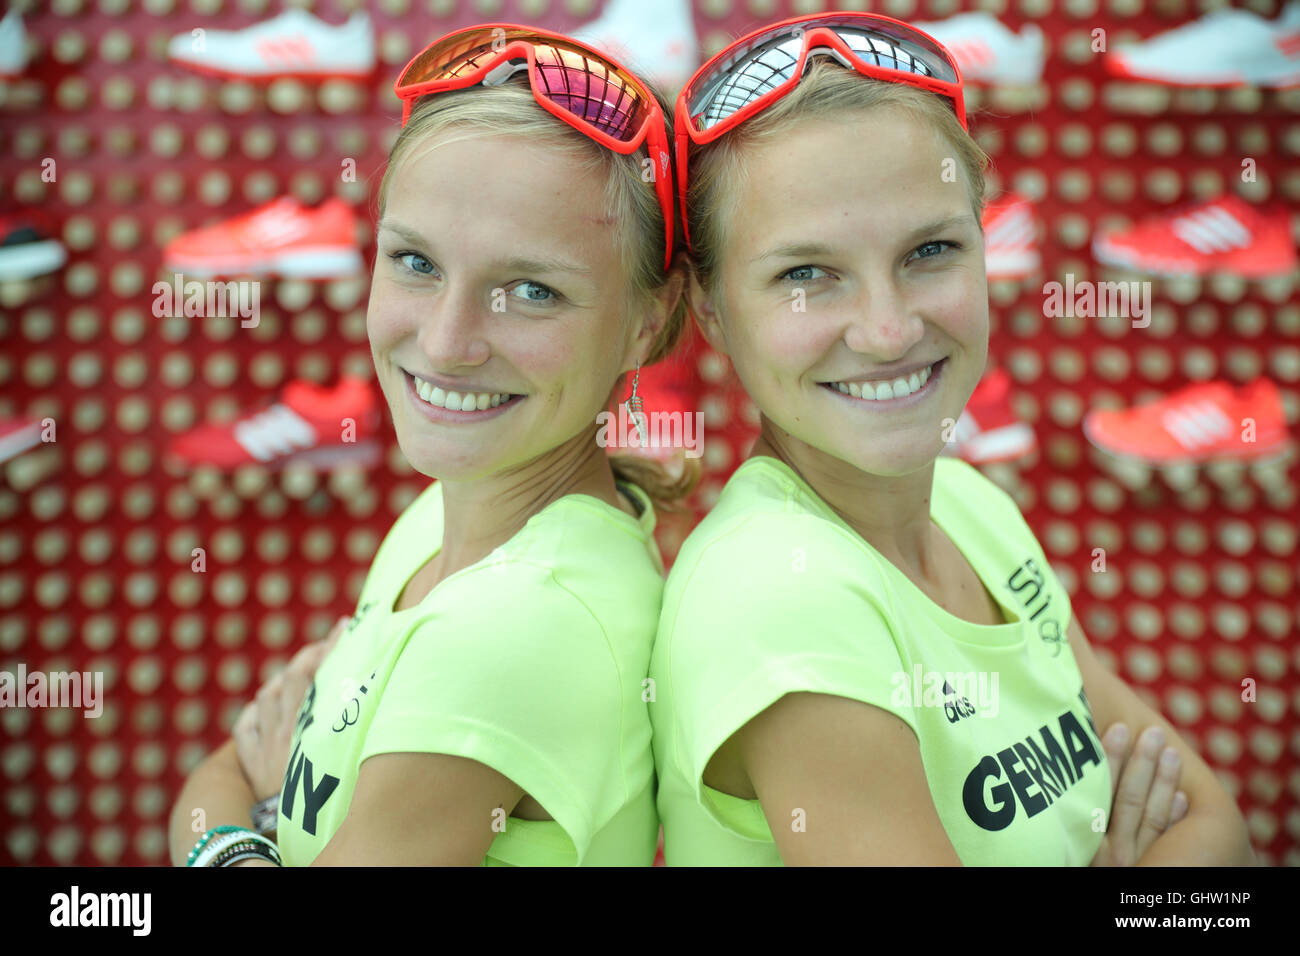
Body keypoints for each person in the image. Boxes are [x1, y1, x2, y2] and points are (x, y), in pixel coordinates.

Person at [651, 12, 1255, 865]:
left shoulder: (969, 504)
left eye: (929, 250)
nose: (889, 330)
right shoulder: (780, 600)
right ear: (709, 309)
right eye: (805, 275)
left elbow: (1217, 829)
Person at [168, 22, 693, 866]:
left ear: (649, 320)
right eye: (415, 262)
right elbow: (223, 768)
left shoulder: (512, 627)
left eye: (531, 290)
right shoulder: (452, 514)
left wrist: (239, 832)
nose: (448, 344)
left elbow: (225, 781)